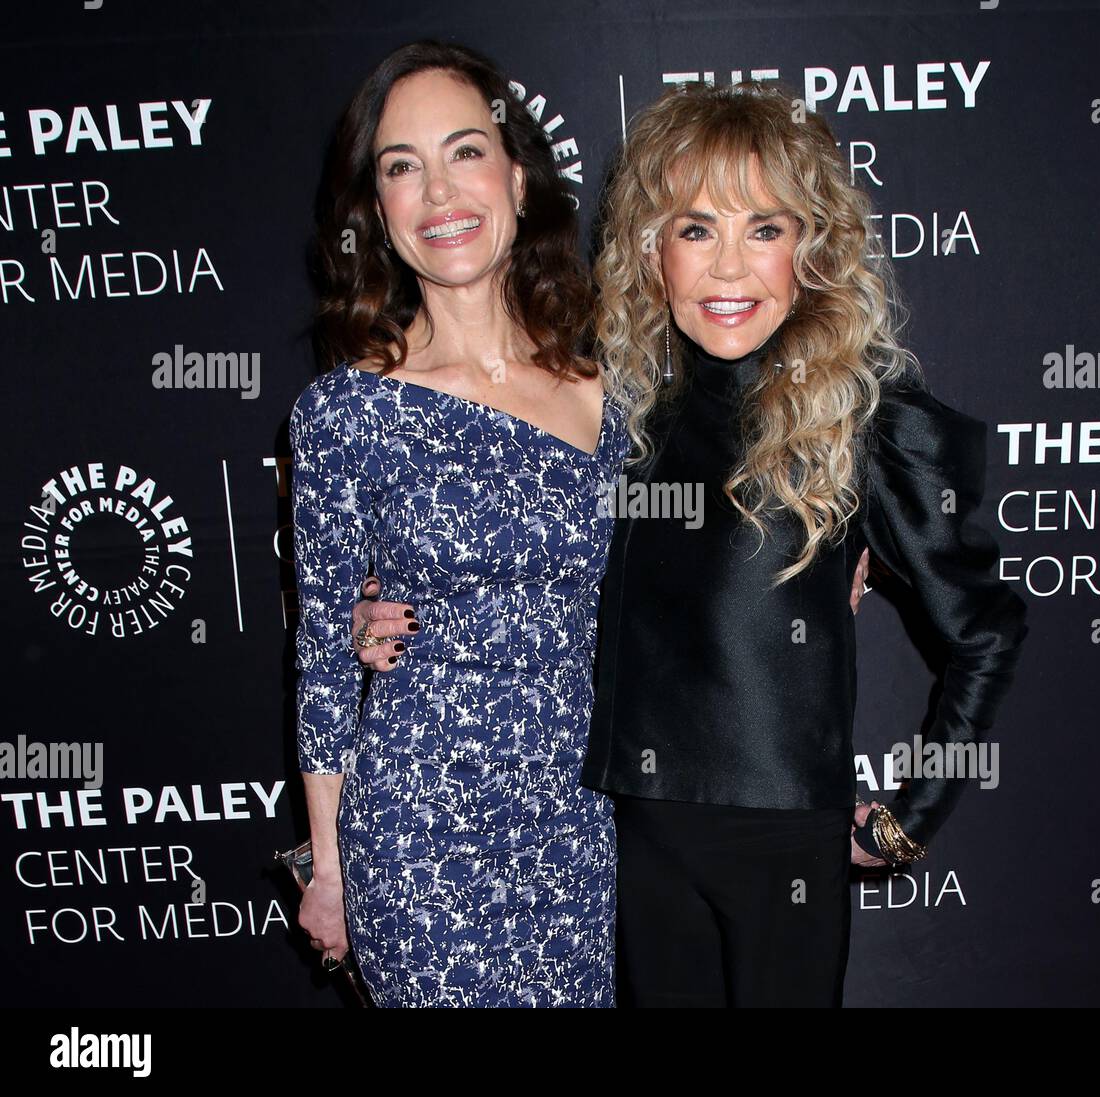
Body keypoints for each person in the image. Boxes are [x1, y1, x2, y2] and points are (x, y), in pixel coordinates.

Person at [353, 80, 1029, 1007]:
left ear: (813, 247)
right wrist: (377, 604)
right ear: (652, 250)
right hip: (624, 837)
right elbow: (519, 550)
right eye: (696, 228)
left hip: (785, 843)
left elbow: (986, 630)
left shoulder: (866, 418)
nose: (727, 269)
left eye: (765, 227)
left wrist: (912, 818)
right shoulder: (617, 404)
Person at [290, 40, 626, 1007]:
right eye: (403, 167)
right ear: (379, 213)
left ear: (517, 177)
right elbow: (321, 656)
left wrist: (825, 563)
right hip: (420, 832)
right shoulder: (346, 414)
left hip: (586, 825)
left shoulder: (616, 389)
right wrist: (330, 867)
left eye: (465, 152)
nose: (440, 192)